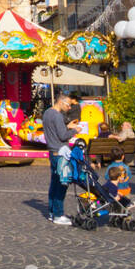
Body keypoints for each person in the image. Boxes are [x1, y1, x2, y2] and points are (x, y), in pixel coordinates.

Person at [42, 93, 79, 225]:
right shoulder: (57, 115)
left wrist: (67, 126)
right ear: (61, 102)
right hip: (60, 152)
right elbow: (63, 136)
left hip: (52, 151)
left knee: (54, 183)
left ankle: (52, 212)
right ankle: (58, 214)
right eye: (68, 105)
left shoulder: (47, 113)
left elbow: (54, 130)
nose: (69, 108)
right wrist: (75, 130)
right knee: (62, 184)